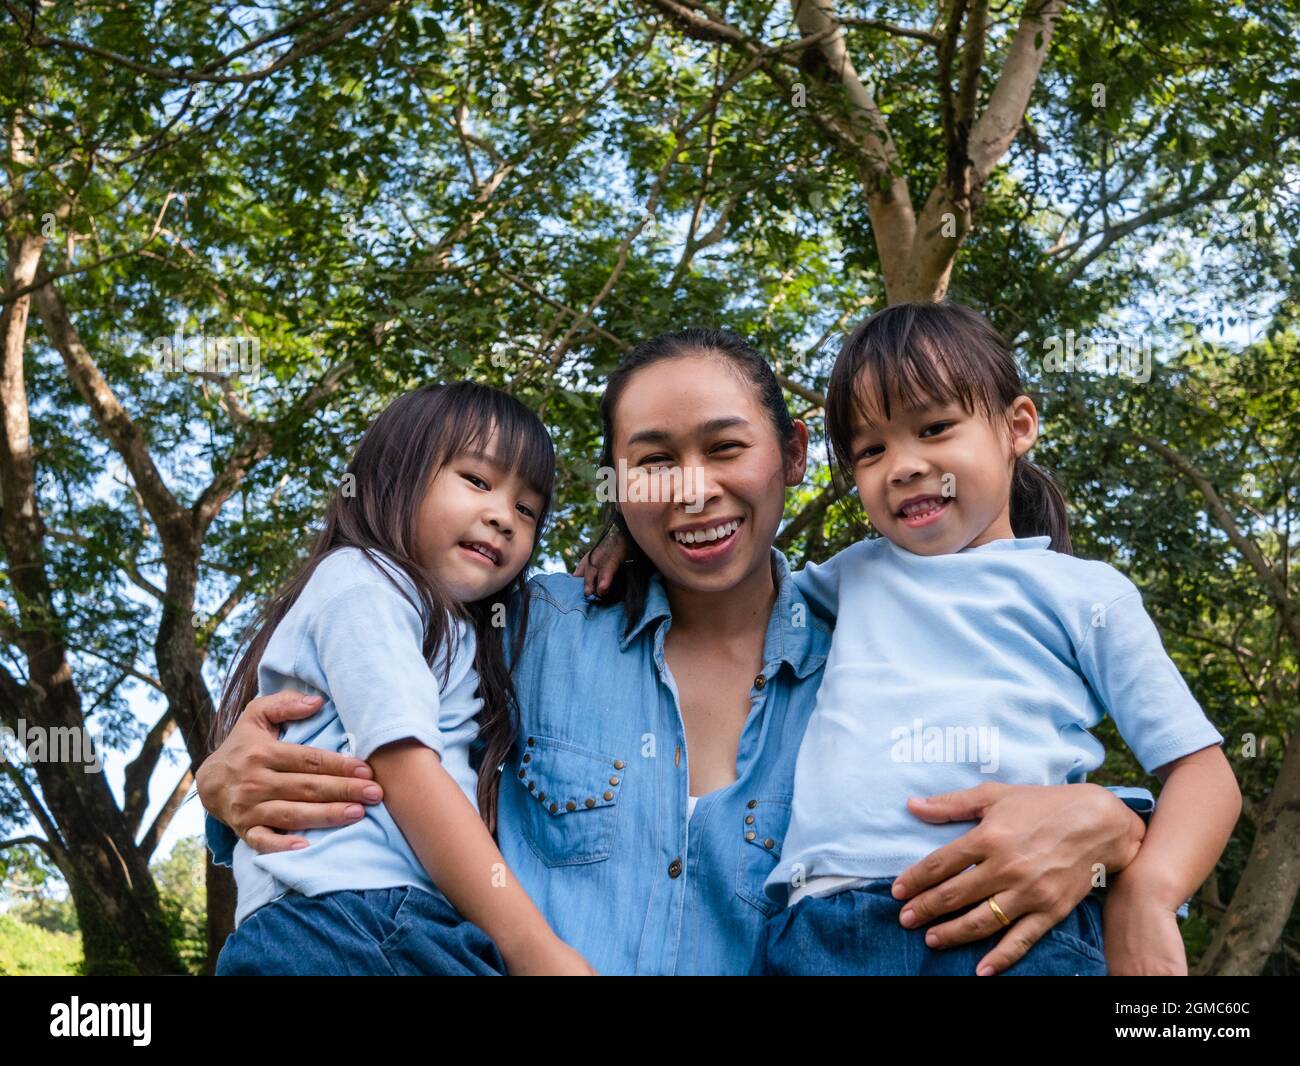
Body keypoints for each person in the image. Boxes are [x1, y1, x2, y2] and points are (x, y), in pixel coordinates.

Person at [200, 330, 1154, 975]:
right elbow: (370, 738)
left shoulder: (879, 649)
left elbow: (1023, 771)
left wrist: (1111, 829)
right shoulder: (526, 624)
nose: (692, 492)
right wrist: (226, 786)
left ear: (793, 454)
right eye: (653, 462)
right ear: (618, 484)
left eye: (726, 449)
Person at [744, 302, 1238, 975]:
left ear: (1018, 426)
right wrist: (621, 545)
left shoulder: (1083, 592)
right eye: (871, 449)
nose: (905, 465)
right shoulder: (849, 577)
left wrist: (1148, 893)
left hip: (1014, 921)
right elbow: (727, 583)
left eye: (935, 427)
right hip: (825, 926)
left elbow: (1203, 773)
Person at [211, 381, 594, 976]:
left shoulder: (457, 626)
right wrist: (537, 951)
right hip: (349, 922)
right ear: (395, 476)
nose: (503, 517)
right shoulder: (366, 582)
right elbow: (409, 771)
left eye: (527, 509)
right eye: (477, 480)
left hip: (375, 922)